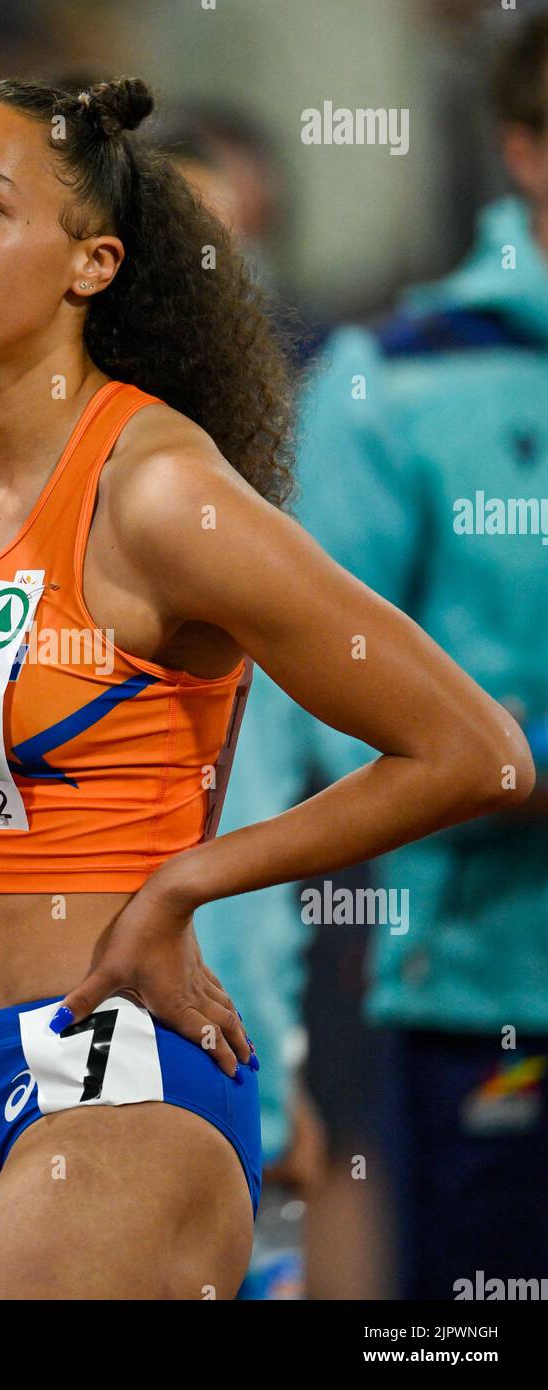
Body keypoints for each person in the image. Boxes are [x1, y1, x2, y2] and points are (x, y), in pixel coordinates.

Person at [0, 75, 532, 1301]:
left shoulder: (161, 495)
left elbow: (474, 749)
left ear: (93, 263)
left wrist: (191, 879)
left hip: (121, 1080)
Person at [294, 13, 548, 1298]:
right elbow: (326, 687)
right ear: (525, 151)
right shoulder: (393, 383)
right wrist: (499, 766)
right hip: (489, 988)